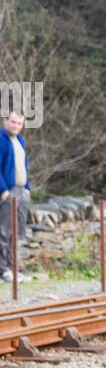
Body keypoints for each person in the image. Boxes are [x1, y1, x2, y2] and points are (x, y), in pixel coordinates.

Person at [0, 110, 30, 283]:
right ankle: (3, 270)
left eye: (19, 123)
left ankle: (14, 268)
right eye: (13, 122)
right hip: (8, 192)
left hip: (21, 191)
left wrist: (27, 188)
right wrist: (3, 189)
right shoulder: (1, 141)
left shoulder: (20, 141)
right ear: (5, 120)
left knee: (17, 233)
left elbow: (23, 167)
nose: (16, 126)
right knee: (4, 232)